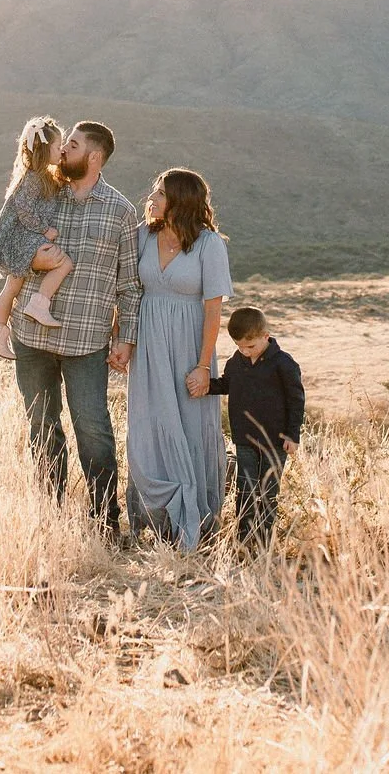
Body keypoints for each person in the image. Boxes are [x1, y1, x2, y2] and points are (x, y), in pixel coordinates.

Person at [10, 120, 141, 540]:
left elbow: (129, 283)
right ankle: (49, 518)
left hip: (86, 342)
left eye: (73, 144)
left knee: (93, 430)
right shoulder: (44, 194)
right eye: (63, 143)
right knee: (41, 426)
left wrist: (126, 338)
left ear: (96, 156)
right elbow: (10, 245)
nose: (62, 150)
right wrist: (32, 262)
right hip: (31, 336)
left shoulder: (121, 211)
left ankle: (105, 522)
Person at [125, 167, 231, 551]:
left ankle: (195, 526)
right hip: (149, 349)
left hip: (190, 349)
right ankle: (152, 523)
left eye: (159, 194)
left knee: (189, 430)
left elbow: (214, 311)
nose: (150, 200)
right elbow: (126, 291)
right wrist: (123, 339)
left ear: (180, 202)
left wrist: (203, 367)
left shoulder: (209, 245)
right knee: (147, 428)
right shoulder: (141, 237)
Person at [0, 116, 75, 360]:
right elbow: (24, 209)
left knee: (12, 286)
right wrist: (44, 230)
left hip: (19, 238)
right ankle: (40, 303)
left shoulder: (42, 176)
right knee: (64, 263)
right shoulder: (33, 179)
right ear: (44, 150)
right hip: (23, 238)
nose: (62, 149)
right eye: (58, 145)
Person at [209, 305, 304, 552]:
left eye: (250, 346)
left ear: (265, 336)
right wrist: (206, 387)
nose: (245, 351)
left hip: (276, 441)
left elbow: (296, 400)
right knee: (246, 489)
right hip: (244, 439)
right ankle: (243, 539)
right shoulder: (236, 362)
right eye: (240, 346)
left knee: (268, 491)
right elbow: (225, 385)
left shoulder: (283, 364)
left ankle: (263, 544)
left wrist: (293, 435)